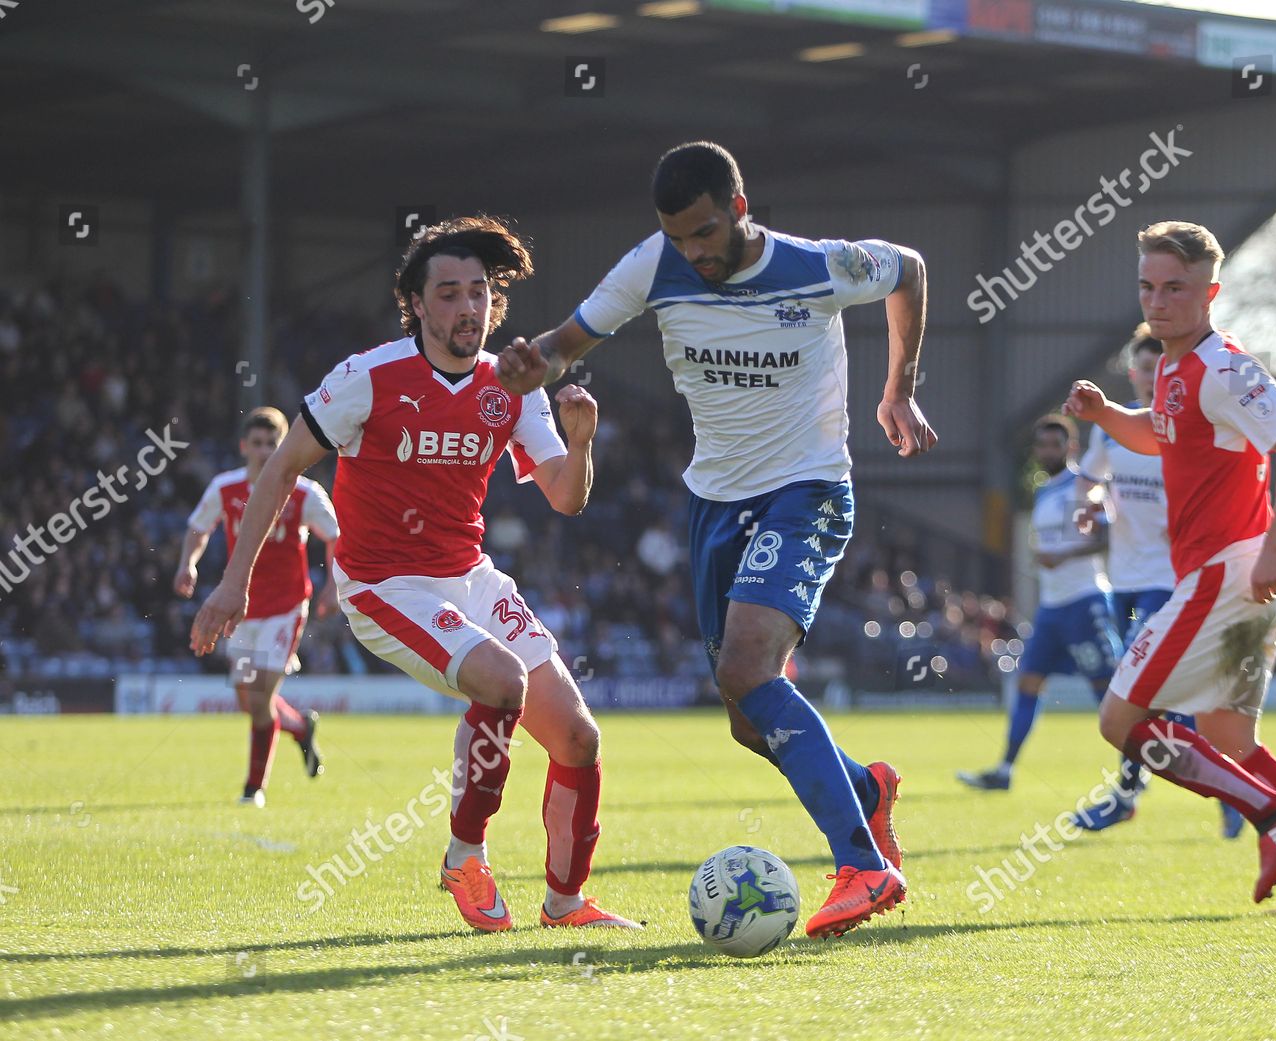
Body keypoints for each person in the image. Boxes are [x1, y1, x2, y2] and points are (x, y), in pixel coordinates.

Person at [497, 141, 937, 938]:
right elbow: (568, 342)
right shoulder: (652, 264)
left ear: (739, 209)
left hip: (806, 489)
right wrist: (537, 365)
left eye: (703, 233)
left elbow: (907, 266)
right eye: (677, 236)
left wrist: (898, 388)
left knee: (745, 667)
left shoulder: (819, 265)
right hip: (714, 501)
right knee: (745, 714)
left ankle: (864, 864)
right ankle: (863, 792)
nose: (692, 252)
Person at [191, 216, 640, 932]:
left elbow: (566, 494)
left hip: (471, 576)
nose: (469, 307)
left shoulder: (513, 383)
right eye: (451, 293)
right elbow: (281, 469)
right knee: (502, 681)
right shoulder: (367, 378)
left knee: (579, 738)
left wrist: (581, 444)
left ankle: (565, 903)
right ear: (418, 304)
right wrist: (232, 581)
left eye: (480, 294)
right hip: (381, 585)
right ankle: (465, 855)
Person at [1064, 220, 1276, 913]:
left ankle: (1270, 812)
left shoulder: (1225, 367)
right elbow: (1162, 434)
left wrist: (1274, 544)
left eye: (1176, 287)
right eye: (1148, 286)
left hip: (1230, 574)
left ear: (1211, 292)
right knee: (1230, 736)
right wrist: (1108, 413)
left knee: (1119, 720)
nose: (1158, 300)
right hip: (1239, 576)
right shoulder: (1174, 365)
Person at [1068, 327, 1243, 838]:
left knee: (1138, 691)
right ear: (1135, 373)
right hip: (1121, 580)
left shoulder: (1186, 431)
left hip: (1172, 582)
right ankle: (1221, 788)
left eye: (1158, 369)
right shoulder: (1113, 428)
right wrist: (1089, 507)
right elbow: (1089, 480)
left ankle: (1143, 792)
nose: (1151, 378)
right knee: (1150, 698)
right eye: (1144, 370)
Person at [175, 406, 336, 807]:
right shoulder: (225, 488)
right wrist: (187, 565)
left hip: (285, 608)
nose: (265, 451)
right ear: (244, 445)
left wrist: (332, 586)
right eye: (258, 443)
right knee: (248, 699)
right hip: (241, 612)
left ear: (284, 446)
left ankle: (254, 788)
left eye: (273, 444)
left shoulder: (303, 492)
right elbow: (198, 528)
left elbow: (336, 536)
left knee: (260, 696)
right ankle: (300, 728)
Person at [957, 416, 1120, 792]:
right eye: (1042, 445)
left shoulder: (1084, 487)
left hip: (1085, 600)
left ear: (1071, 448)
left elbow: (1106, 537)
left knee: (1106, 691)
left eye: (1055, 445)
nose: (1047, 451)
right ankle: (1005, 770)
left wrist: (1061, 557)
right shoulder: (1044, 492)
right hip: (1052, 607)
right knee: (1027, 683)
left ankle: (1132, 775)